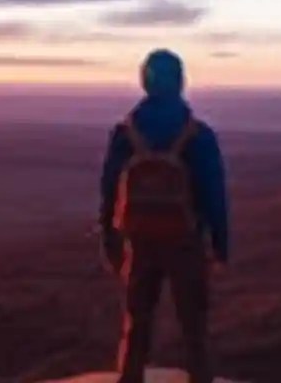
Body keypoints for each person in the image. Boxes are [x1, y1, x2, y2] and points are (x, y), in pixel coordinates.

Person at [98, 49, 230, 383]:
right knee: (194, 327)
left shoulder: (125, 134)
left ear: (144, 82)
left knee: (137, 323)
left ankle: (130, 378)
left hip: (139, 241)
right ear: (181, 83)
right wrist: (220, 245)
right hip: (186, 239)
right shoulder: (198, 135)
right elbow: (214, 194)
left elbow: (109, 190)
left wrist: (110, 241)